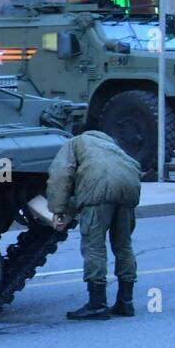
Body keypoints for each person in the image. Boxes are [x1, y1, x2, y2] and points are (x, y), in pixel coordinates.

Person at [46, 130, 142, 320]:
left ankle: (97, 305)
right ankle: (126, 302)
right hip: (129, 189)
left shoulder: (75, 143)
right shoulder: (112, 146)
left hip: (99, 189)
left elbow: (61, 174)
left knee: (94, 246)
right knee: (123, 246)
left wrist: (57, 209)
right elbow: (135, 166)